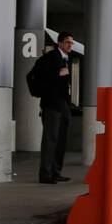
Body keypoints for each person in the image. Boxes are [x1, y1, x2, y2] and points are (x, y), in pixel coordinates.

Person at [36, 32, 76, 184]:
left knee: (61, 138)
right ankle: (45, 174)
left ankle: (55, 171)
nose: (70, 45)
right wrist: (57, 74)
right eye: (67, 42)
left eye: (71, 43)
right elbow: (41, 76)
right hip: (52, 103)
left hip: (62, 103)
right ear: (59, 43)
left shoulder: (65, 58)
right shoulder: (51, 57)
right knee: (50, 138)